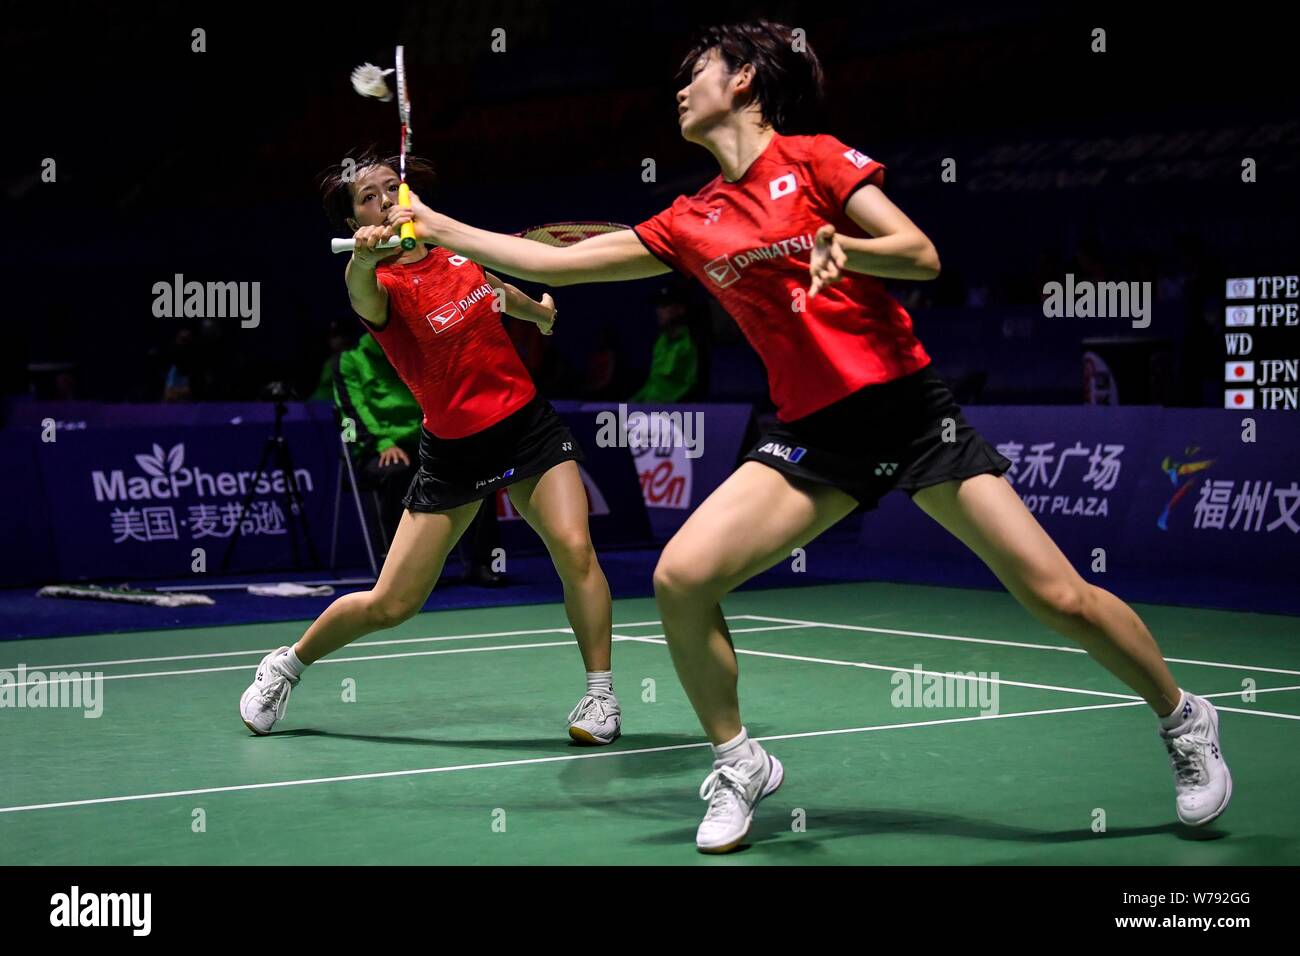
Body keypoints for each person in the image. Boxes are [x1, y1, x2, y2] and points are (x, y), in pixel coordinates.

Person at [394, 20, 1231, 853]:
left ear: (746, 81)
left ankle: (1184, 716)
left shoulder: (818, 160)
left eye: (699, 71)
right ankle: (737, 761)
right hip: (814, 437)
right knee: (682, 577)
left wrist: (847, 249)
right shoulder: (695, 218)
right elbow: (555, 266)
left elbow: (920, 254)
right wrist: (436, 226)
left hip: (908, 413)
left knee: (1056, 597)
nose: (682, 88)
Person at [239, 151, 620, 746]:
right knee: (392, 604)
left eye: (393, 188)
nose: (386, 201)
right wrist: (363, 259)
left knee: (575, 549)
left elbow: (493, 292)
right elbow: (358, 290)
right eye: (369, 197)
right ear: (352, 221)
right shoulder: (379, 285)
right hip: (455, 453)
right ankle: (286, 665)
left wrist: (540, 314)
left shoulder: (455, 251)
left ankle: (601, 697)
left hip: (527, 427)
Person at [333, 330, 506, 582]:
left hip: (426, 445)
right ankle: (400, 571)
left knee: (478, 474)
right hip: (377, 450)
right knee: (397, 471)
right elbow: (350, 411)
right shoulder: (350, 361)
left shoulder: (416, 353)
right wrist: (382, 443)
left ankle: (484, 564)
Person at [630, 282, 702, 402]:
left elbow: (693, 388)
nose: (658, 311)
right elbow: (652, 384)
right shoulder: (660, 341)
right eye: (658, 305)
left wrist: (666, 409)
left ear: (681, 309)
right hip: (648, 408)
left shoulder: (692, 344)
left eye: (664, 305)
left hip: (675, 414)